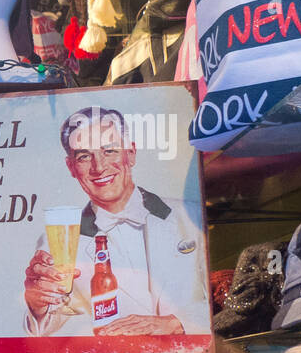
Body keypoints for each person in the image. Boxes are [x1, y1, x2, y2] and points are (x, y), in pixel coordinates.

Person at [23, 105, 209, 337]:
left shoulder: (191, 216)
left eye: (109, 151)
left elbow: (228, 297)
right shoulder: (58, 242)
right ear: (71, 167)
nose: (99, 167)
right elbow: (51, 330)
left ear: (130, 153)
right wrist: (38, 305)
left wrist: (176, 322)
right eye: (83, 156)